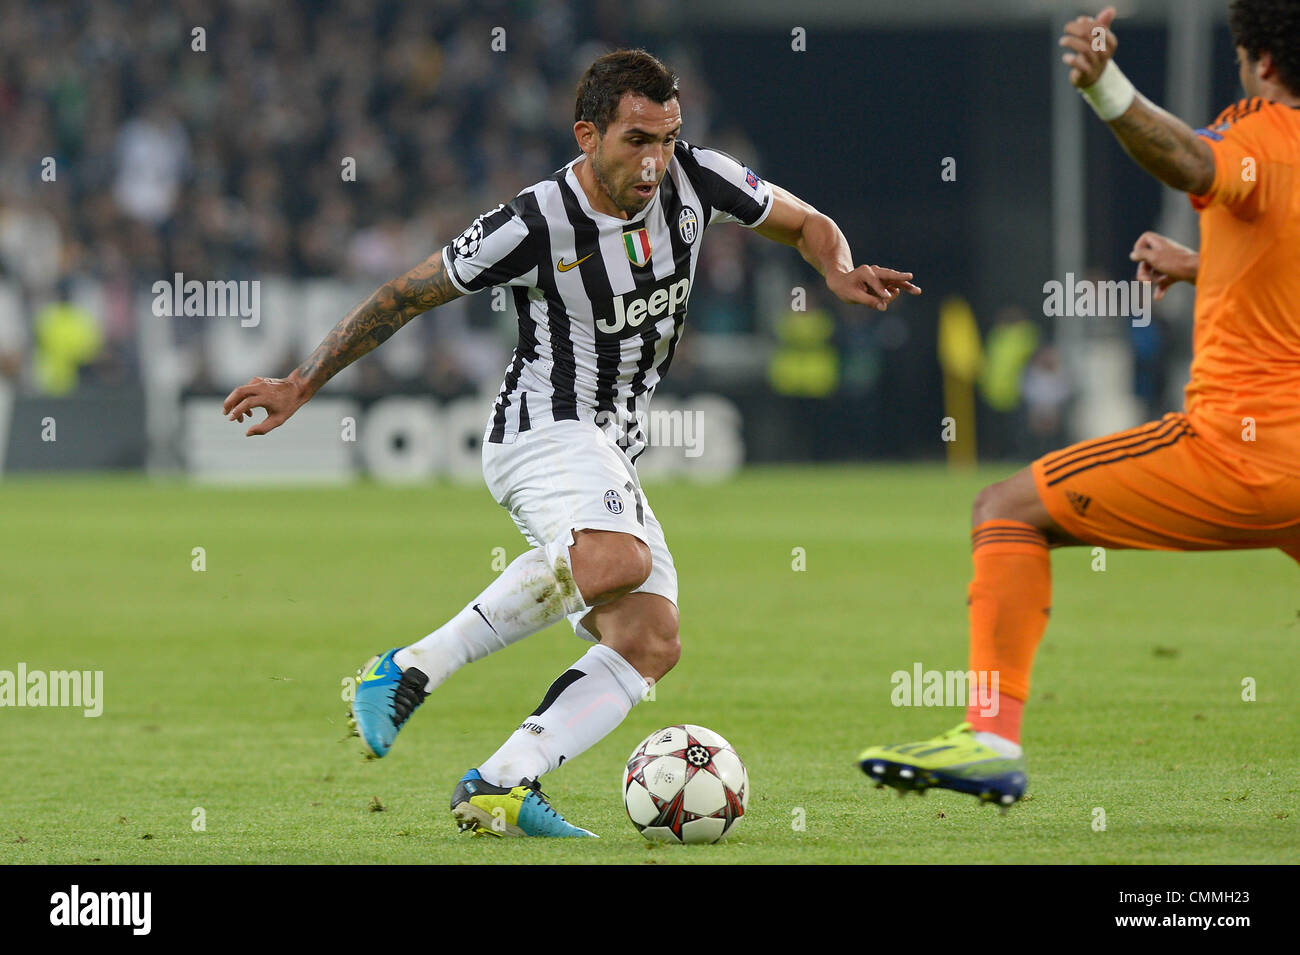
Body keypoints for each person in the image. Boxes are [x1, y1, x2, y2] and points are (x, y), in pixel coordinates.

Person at [223, 49, 919, 836]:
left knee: (650, 638)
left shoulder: (699, 176)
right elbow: (403, 295)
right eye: (635, 140)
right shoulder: (534, 221)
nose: (655, 161)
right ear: (587, 134)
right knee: (616, 558)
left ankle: (500, 783)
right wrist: (300, 384)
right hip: (539, 426)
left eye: (667, 136)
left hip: (608, 446)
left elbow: (805, 223)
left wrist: (838, 266)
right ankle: (407, 668)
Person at [857, 1, 1300, 808]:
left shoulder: (1261, 132)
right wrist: (1206, 267)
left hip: (1240, 454)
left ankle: (990, 738)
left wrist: (1107, 87)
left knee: (1007, 509)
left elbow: (1189, 162)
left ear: (1263, 62)